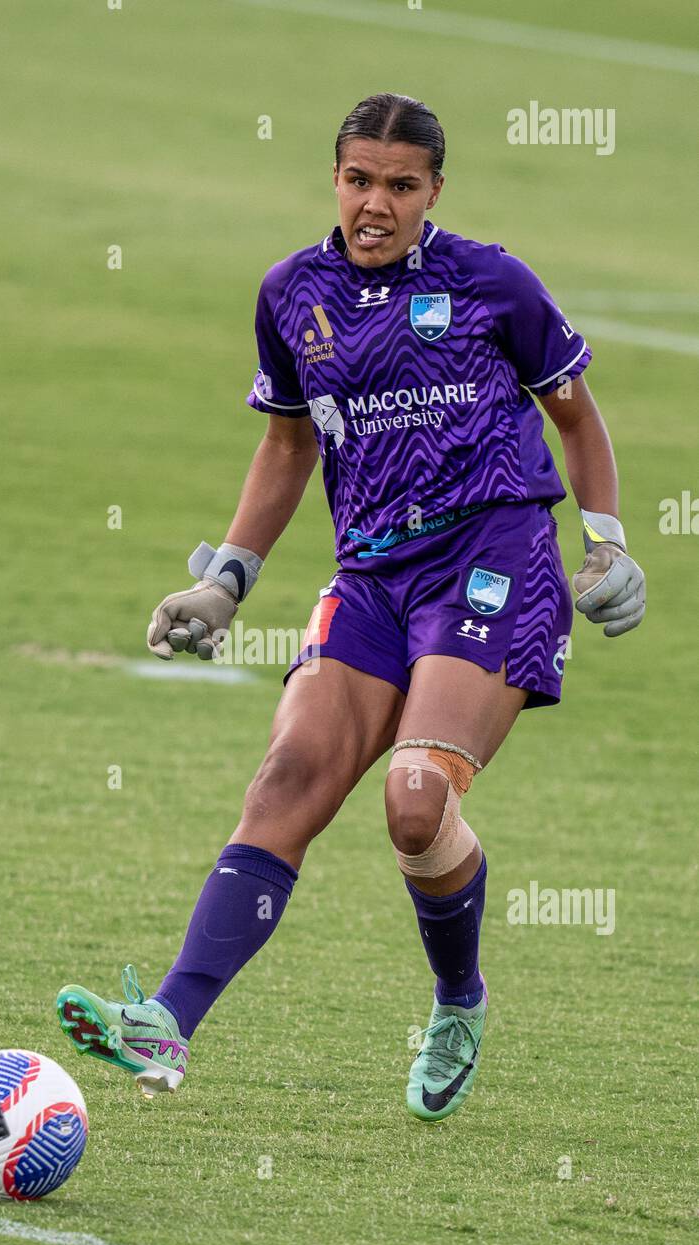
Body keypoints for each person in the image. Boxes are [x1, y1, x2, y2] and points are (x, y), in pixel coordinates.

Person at [57, 94, 645, 1119]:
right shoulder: (291, 294)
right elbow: (287, 442)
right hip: (371, 574)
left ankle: (457, 998)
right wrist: (225, 576)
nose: (375, 204)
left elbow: (573, 412)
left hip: (491, 557)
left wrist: (604, 541)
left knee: (416, 800)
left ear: (433, 192)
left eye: (399, 185)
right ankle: (165, 1025)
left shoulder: (491, 284)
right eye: (358, 180)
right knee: (286, 779)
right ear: (334, 180)